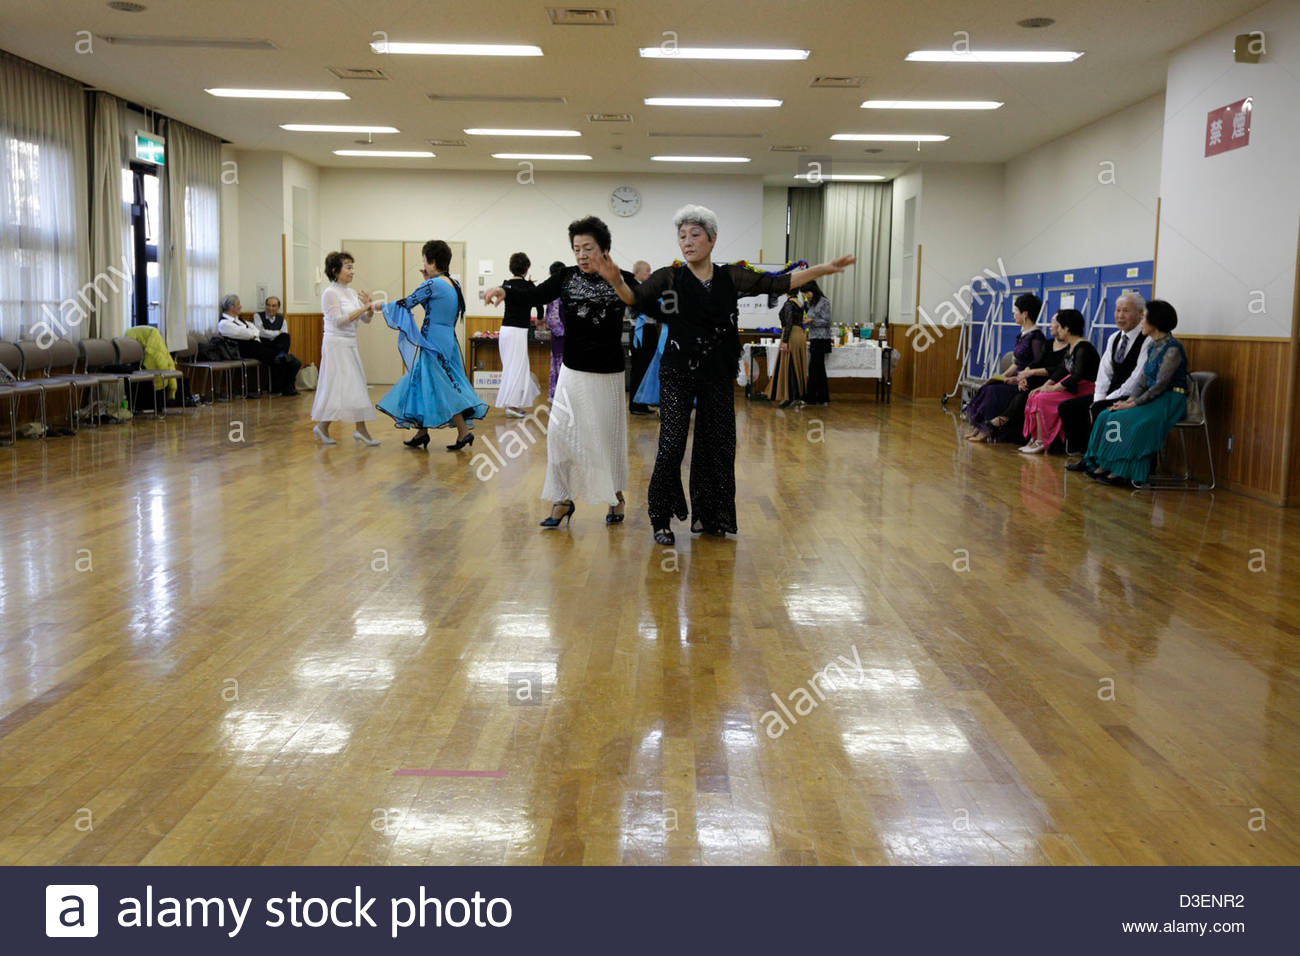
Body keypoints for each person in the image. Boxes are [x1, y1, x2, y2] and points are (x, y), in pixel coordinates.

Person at [598, 203, 855, 544]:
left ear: (712, 239)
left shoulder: (730, 277)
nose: (687, 242)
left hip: (717, 373)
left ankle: (710, 516)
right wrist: (616, 279)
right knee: (672, 444)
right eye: (682, 236)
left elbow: (778, 283)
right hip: (677, 371)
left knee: (717, 445)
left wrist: (823, 269)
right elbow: (637, 298)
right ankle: (660, 518)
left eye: (694, 235)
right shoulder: (669, 277)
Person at [485, 216, 636, 528]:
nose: (581, 254)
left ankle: (615, 495)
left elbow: (646, 301)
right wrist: (504, 289)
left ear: (604, 249)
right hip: (572, 372)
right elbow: (533, 294)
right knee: (559, 434)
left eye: (588, 248)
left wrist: (620, 282)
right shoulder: (565, 278)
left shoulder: (622, 279)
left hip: (608, 374)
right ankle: (563, 498)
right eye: (577, 248)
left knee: (607, 438)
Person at [376, 240, 488, 451]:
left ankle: (463, 431)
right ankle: (422, 432)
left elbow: (406, 303)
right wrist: (428, 277)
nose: (423, 265)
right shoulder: (452, 283)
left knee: (441, 385)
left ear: (432, 261)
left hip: (433, 341)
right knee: (421, 380)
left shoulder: (433, 284)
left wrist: (379, 305)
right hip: (447, 338)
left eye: (424, 260)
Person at [1077, 299, 1189, 485]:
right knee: (1107, 415)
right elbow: (1143, 381)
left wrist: (1134, 404)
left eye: (1144, 318)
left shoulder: (1173, 348)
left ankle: (1125, 471)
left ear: (1156, 322)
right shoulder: (1153, 346)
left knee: (1124, 420)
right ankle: (1107, 463)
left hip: (1169, 399)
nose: (1142, 322)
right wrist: (1129, 401)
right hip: (1153, 398)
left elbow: (1159, 385)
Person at [1062, 292, 1149, 461]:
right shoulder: (1114, 338)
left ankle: (1099, 458)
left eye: (1126, 311)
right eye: (1117, 310)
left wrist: (1105, 400)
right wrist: (1099, 398)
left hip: (1130, 396)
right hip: (1109, 393)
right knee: (1068, 407)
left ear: (1140, 314)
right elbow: (1104, 373)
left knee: (1098, 409)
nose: (1120, 315)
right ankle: (1083, 452)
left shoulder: (1146, 339)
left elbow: (1137, 378)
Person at [311, 252, 383, 446]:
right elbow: (338, 321)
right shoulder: (329, 293)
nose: (352, 271)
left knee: (355, 385)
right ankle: (331, 427)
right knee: (337, 386)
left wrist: (369, 309)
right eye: (348, 267)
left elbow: (366, 320)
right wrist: (364, 307)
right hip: (335, 344)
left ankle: (354, 429)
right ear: (335, 270)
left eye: (352, 267)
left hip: (350, 343)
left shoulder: (351, 293)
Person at [966, 293, 1045, 441]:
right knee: (987, 386)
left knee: (993, 392)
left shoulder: (1036, 338)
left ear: (1025, 314)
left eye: (1015, 311)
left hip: (1025, 383)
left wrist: (1016, 379)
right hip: (1016, 378)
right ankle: (979, 427)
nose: (1013, 314)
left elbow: (1035, 365)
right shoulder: (1023, 335)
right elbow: (1017, 363)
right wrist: (1002, 376)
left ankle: (989, 430)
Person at [1019, 309, 1100, 453]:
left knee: (1043, 399)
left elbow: (1077, 375)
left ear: (1067, 329)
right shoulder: (1071, 346)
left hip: (1085, 388)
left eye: (1060, 326)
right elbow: (1061, 370)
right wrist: (1045, 385)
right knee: (1035, 395)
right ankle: (1035, 438)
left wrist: (1054, 388)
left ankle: (1043, 440)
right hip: (1073, 386)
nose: (1057, 329)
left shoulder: (1083, 348)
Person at [217, 293, 300, 396]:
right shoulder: (224, 323)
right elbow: (251, 333)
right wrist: (253, 333)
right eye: (238, 304)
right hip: (244, 349)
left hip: (257, 345)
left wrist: (253, 333)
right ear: (231, 307)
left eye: (274, 306)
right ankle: (282, 359)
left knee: (285, 337)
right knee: (291, 362)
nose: (241, 306)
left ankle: (281, 357)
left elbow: (254, 331)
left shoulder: (239, 320)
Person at [496, 252, 543, 418]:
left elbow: (508, 289)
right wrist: (539, 319)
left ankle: (513, 403)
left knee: (512, 367)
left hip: (505, 331)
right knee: (517, 368)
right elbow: (540, 305)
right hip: (518, 331)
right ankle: (512, 406)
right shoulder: (529, 287)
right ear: (526, 268)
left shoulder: (506, 284)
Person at [626, 260, 658, 414]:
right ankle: (635, 404)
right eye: (648, 271)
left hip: (649, 330)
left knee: (646, 368)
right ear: (637, 273)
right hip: (641, 331)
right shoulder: (634, 289)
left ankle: (642, 402)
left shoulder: (646, 288)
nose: (650, 274)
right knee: (639, 368)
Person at [766, 289, 807, 407]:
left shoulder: (789, 303)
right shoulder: (799, 303)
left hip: (791, 335)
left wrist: (785, 341)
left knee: (789, 364)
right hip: (800, 334)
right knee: (797, 364)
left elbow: (788, 322)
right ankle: (797, 396)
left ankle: (790, 397)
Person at [801, 282, 832, 405]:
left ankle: (813, 397)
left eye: (807, 293)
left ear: (813, 290)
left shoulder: (824, 302)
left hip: (822, 339)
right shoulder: (812, 304)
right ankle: (822, 397)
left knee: (814, 368)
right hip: (815, 338)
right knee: (818, 368)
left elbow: (827, 321)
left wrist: (811, 321)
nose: (806, 296)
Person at [542, 260, 566, 401]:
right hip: (566, 338)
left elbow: (551, 319)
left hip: (561, 339)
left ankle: (559, 401)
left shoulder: (554, 292)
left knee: (559, 371)